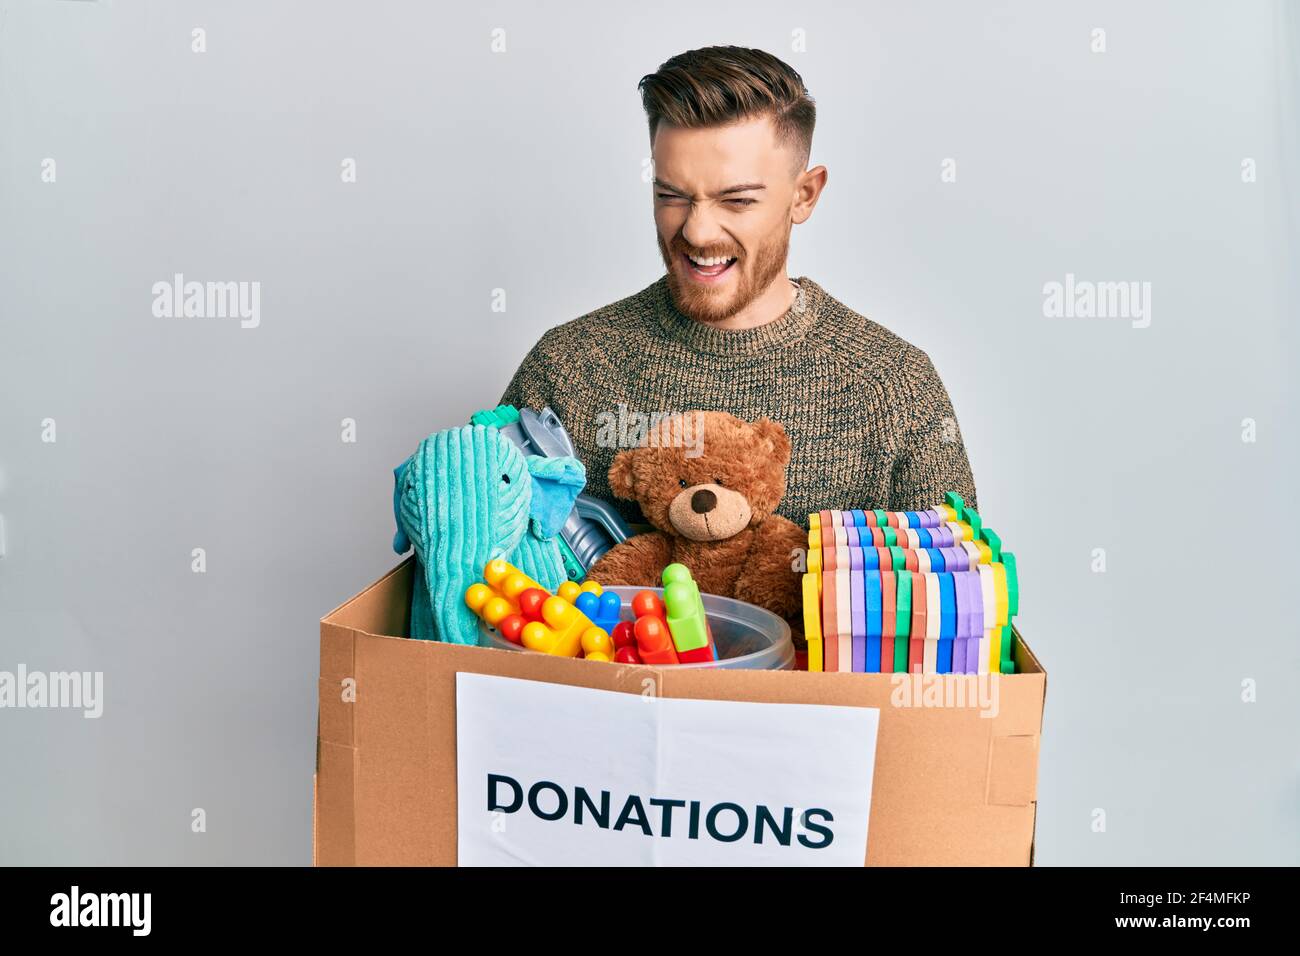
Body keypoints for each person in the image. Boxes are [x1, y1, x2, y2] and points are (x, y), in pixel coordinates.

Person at [501, 45, 977, 527]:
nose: (697, 232)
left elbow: (958, 595)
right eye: (672, 196)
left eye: (737, 200)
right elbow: (473, 571)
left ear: (804, 195)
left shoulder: (894, 387)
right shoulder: (570, 365)